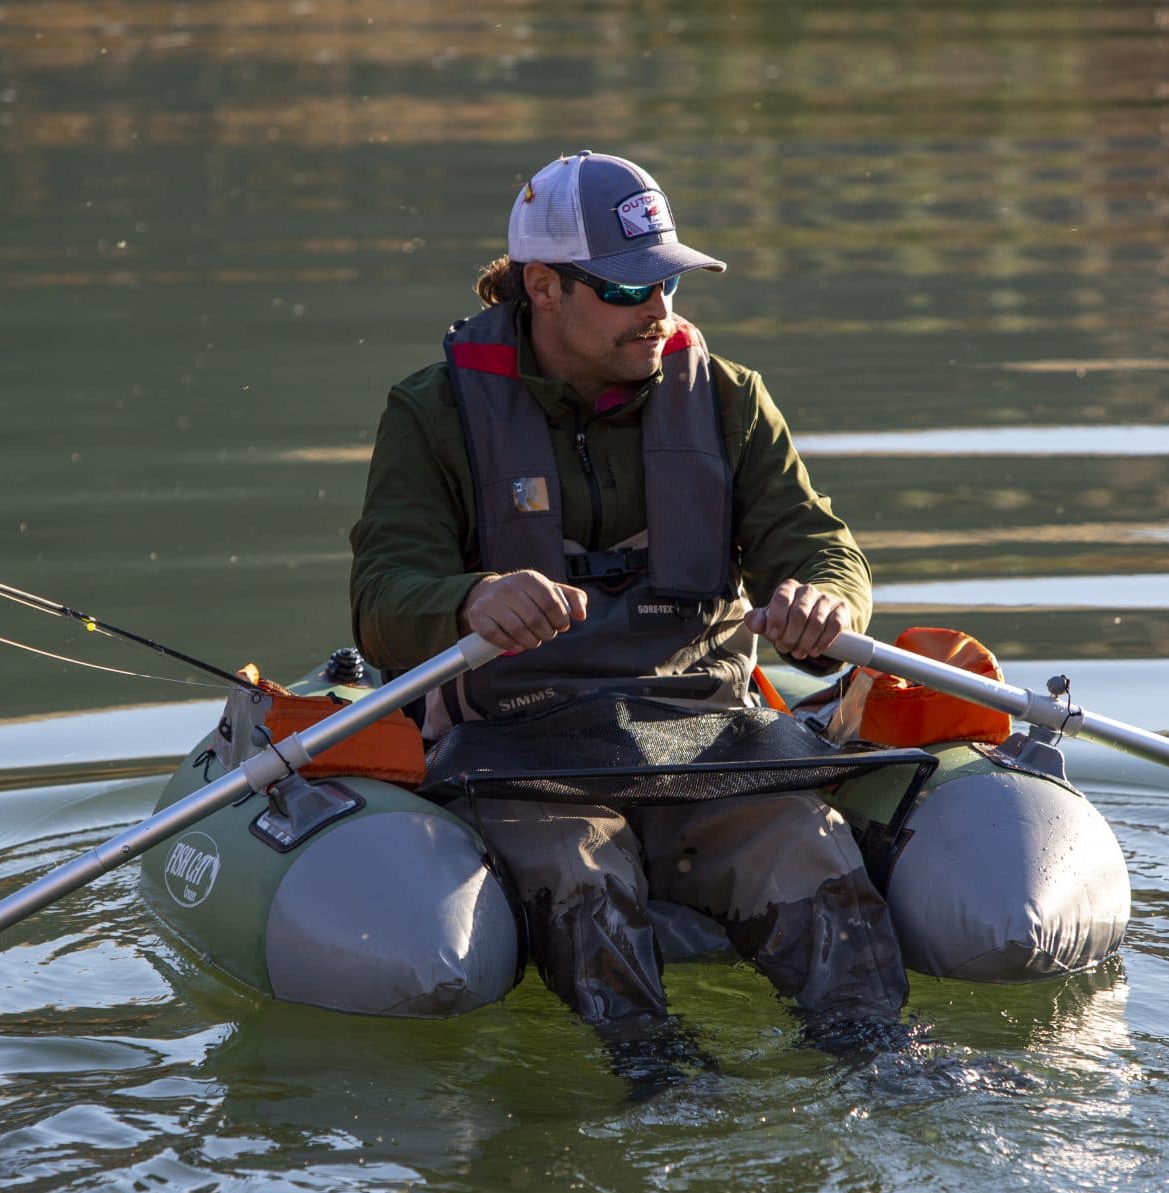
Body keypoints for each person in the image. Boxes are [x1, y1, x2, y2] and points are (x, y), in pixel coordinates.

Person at [348, 151, 906, 1059]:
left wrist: (824, 598)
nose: (660, 310)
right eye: (627, 287)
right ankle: (660, 1085)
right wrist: (472, 600)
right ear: (542, 286)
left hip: (712, 740)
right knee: (581, 890)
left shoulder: (729, 400)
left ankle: (884, 1065)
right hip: (524, 749)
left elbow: (817, 546)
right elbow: (383, 597)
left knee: (816, 862)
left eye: (670, 283)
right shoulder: (433, 413)